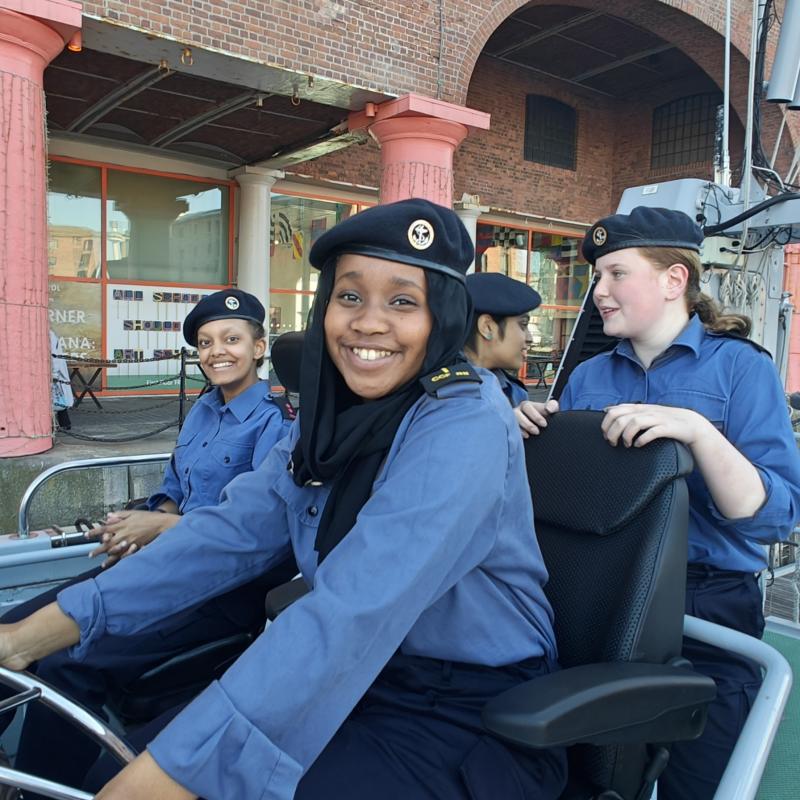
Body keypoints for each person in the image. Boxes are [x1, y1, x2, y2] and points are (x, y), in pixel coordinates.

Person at [0, 198, 566, 800]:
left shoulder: (463, 418)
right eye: (349, 297)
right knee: (110, 770)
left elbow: (358, 606)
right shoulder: (330, 419)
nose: (368, 323)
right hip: (358, 681)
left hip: (461, 711)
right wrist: (29, 637)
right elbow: (225, 535)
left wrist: (175, 774)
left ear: (444, 317)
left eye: (403, 301)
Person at [516, 206, 800, 799]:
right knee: (581, 773)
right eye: (598, 277)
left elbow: (777, 515)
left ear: (675, 279)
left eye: (616, 273)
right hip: (600, 595)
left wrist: (697, 430)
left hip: (709, 607)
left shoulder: (741, 371)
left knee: (698, 782)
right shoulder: (587, 378)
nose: (599, 290)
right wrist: (534, 436)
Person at [1, 289, 298, 796]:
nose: (215, 352)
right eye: (205, 343)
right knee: (11, 625)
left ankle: (40, 790)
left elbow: (250, 533)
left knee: (68, 665)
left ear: (258, 347)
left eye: (231, 339)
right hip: (159, 562)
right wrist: (133, 525)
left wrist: (160, 530)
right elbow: (175, 492)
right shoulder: (204, 410)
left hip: (219, 589)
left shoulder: (278, 424)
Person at [464, 271, 541, 406]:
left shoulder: (514, 391)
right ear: (487, 327)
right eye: (523, 325)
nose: (530, 338)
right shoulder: (445, 394)